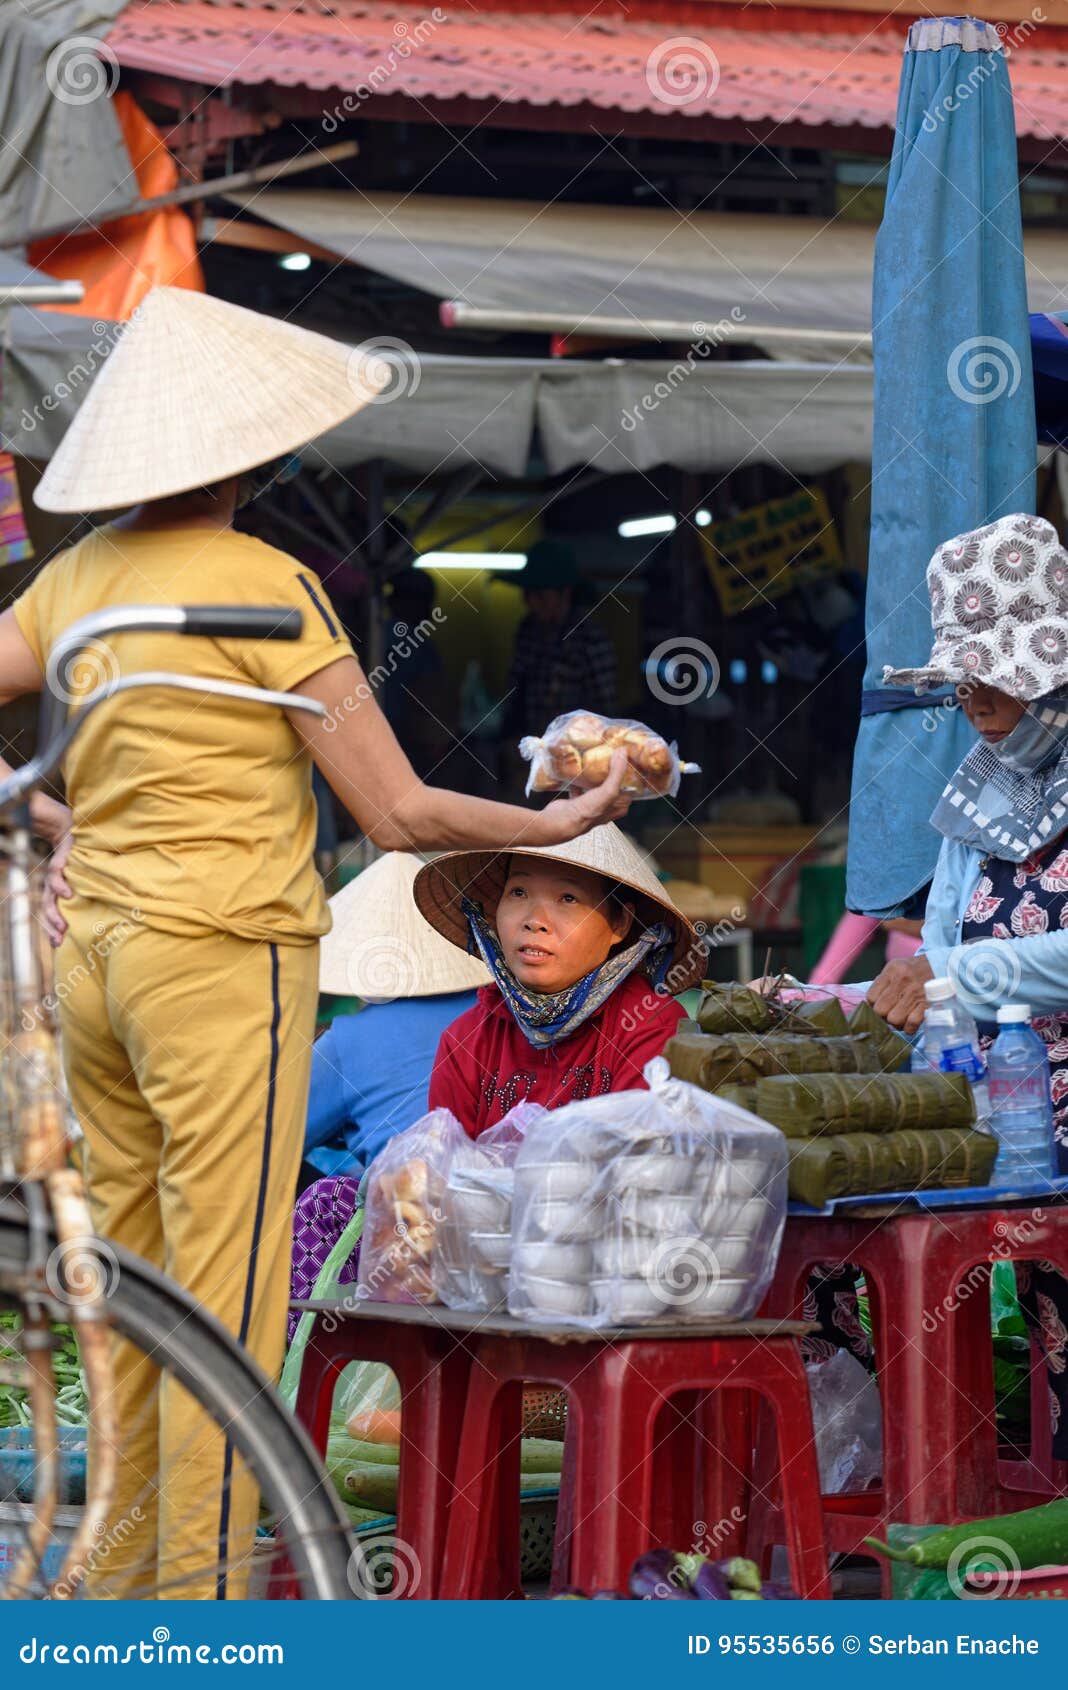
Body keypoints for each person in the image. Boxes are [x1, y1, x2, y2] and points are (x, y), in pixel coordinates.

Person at [1, 287, 631, 1598]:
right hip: (222, 958)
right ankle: (208, 1607)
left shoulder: (77, 576)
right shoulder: (269, 589)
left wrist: (58, 818)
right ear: (245, 457)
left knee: (122, 1272)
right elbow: (395, 810)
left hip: (99, 962)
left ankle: (113, 1594)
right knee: (225, 1296)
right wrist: (552, 816)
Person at [869, 511, 1068, 1449]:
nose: (972, 694)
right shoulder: (983, 787)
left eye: (997, 672)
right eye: (963, 673)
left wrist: (949, 972)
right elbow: (939, 942)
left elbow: (959, 959)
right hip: (1018, 1133)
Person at [289, 852, 488, 1335]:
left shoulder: (348, 1039)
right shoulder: (494, 1015)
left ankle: (285, 1348)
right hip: (491, 1222)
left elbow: (273, 1142)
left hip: (404, 1239)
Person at [416, 824, 704, 1132]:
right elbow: (444, 1161)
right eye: (518, 892)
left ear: (619, 923)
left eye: (568, 898)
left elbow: (635, 1168)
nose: (535, 921)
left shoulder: (651, 1027)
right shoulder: (467, 1040)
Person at [502, 538, 617, 740]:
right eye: (528, 594)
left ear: (565, 593)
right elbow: (515, 689)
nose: (532, 603)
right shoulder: (528, 631)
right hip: (532, 743)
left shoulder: (590, 640)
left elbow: (604, 708)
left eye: (540, 595)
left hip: (576, 748)